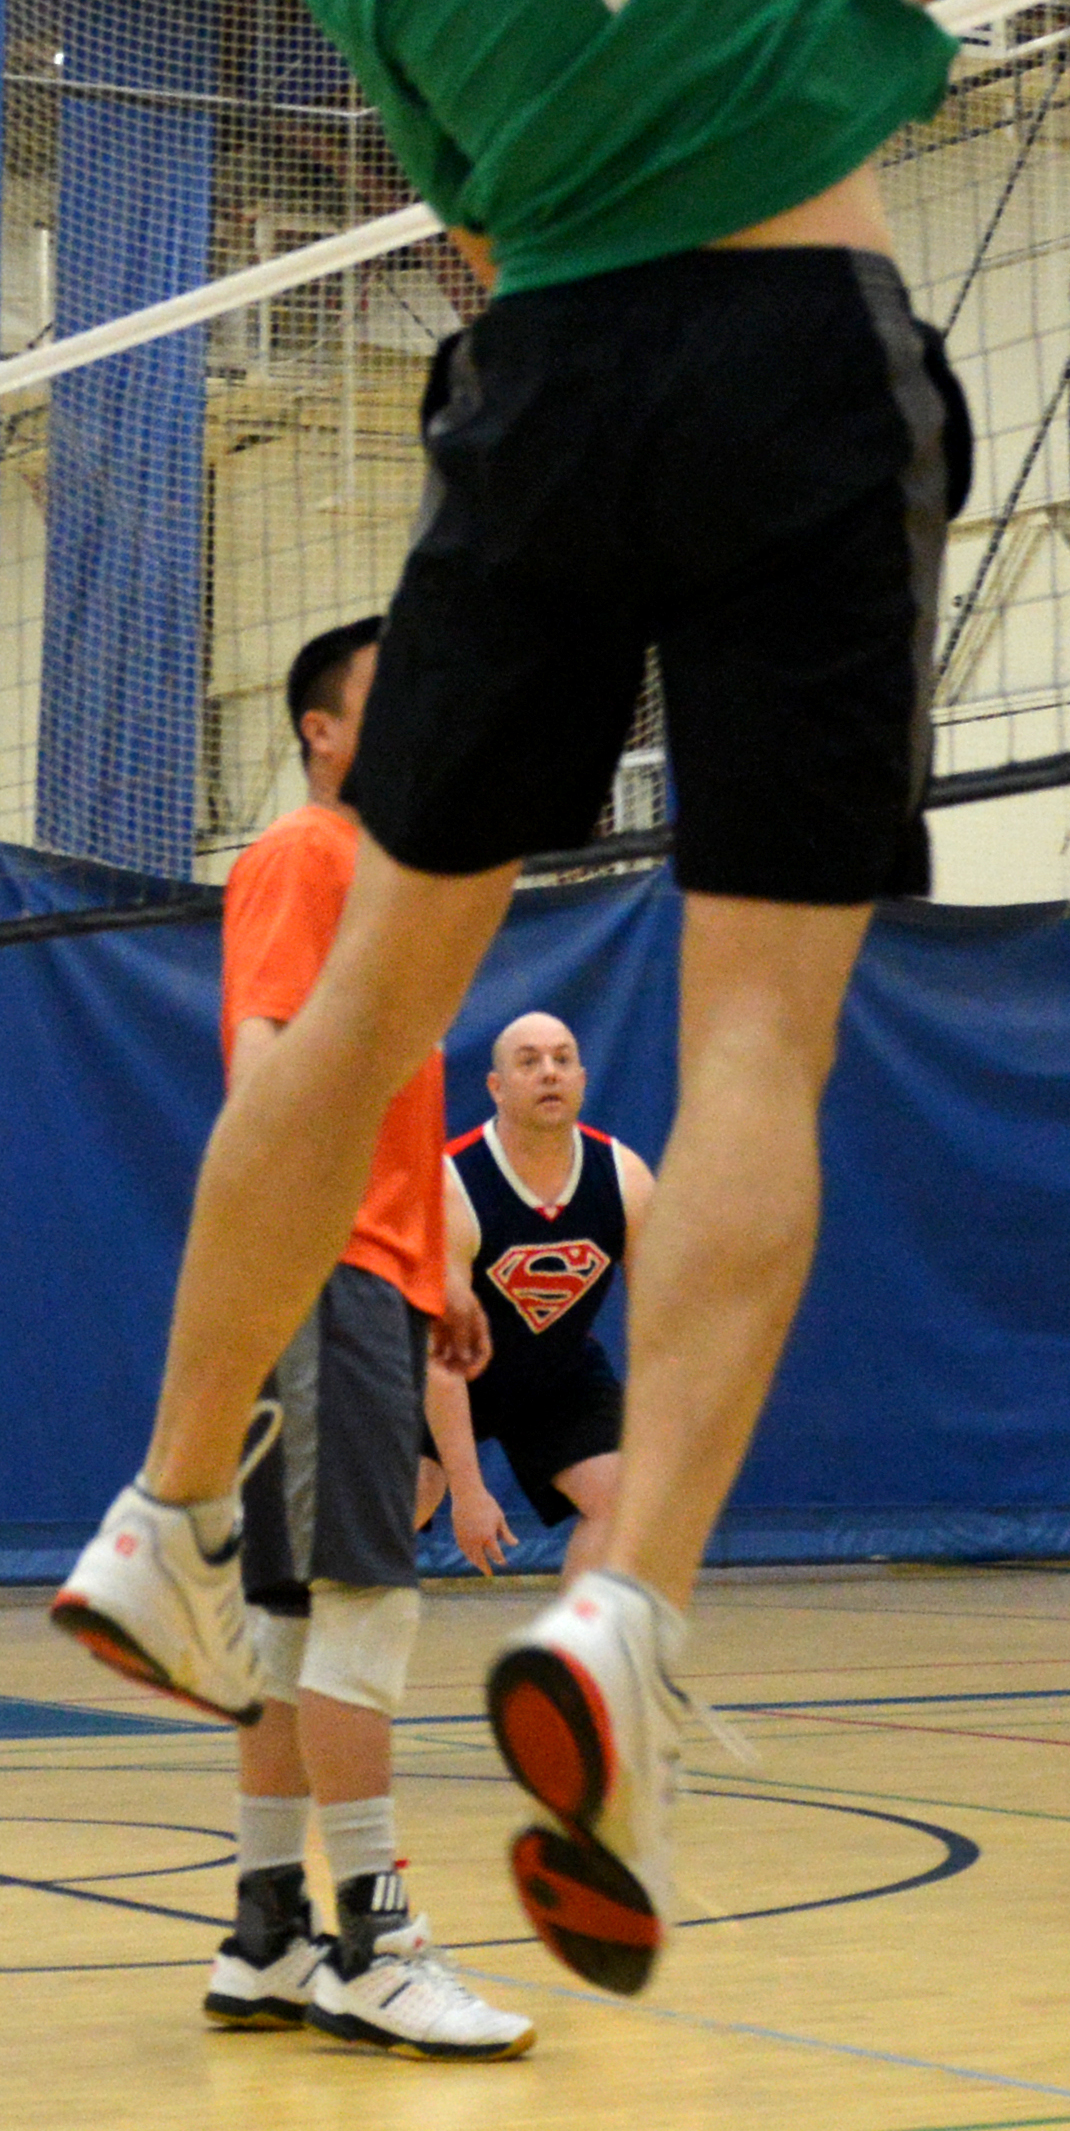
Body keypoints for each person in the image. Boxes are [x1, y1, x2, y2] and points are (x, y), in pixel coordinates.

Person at [52, 0, 967, 2003]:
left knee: (359, 1012)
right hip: (798, 340)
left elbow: (456, 222)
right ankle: (623, 1603)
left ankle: (162, 1500)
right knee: (767, 1017)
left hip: (539, 382)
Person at [204, 619, 531, 2060]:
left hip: (358, 1268)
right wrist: (339, 1258)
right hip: (320, 1266)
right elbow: (262, 1063)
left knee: (287, 1618)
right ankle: (375, 1941)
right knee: (363, 1602)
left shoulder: (394, 887)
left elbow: (382, 1108)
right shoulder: (310, 854)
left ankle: (270, 1929)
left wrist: (432, 1260)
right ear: (325, 734)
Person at [420, 1012, 654, 1578]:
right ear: (496, 1087)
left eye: (562, 1059)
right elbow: (438, 1359)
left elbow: (661, 1324)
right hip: (442, 1375)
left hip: (554, 1372)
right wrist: (468, 1491)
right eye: (529, 1062)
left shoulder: (625, 1178)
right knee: (388, 1512)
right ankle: (301, 1647)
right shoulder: (452, 1185)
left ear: (581, 1077)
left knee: (624, 1504)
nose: (549, 1072)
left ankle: (571, 1658)